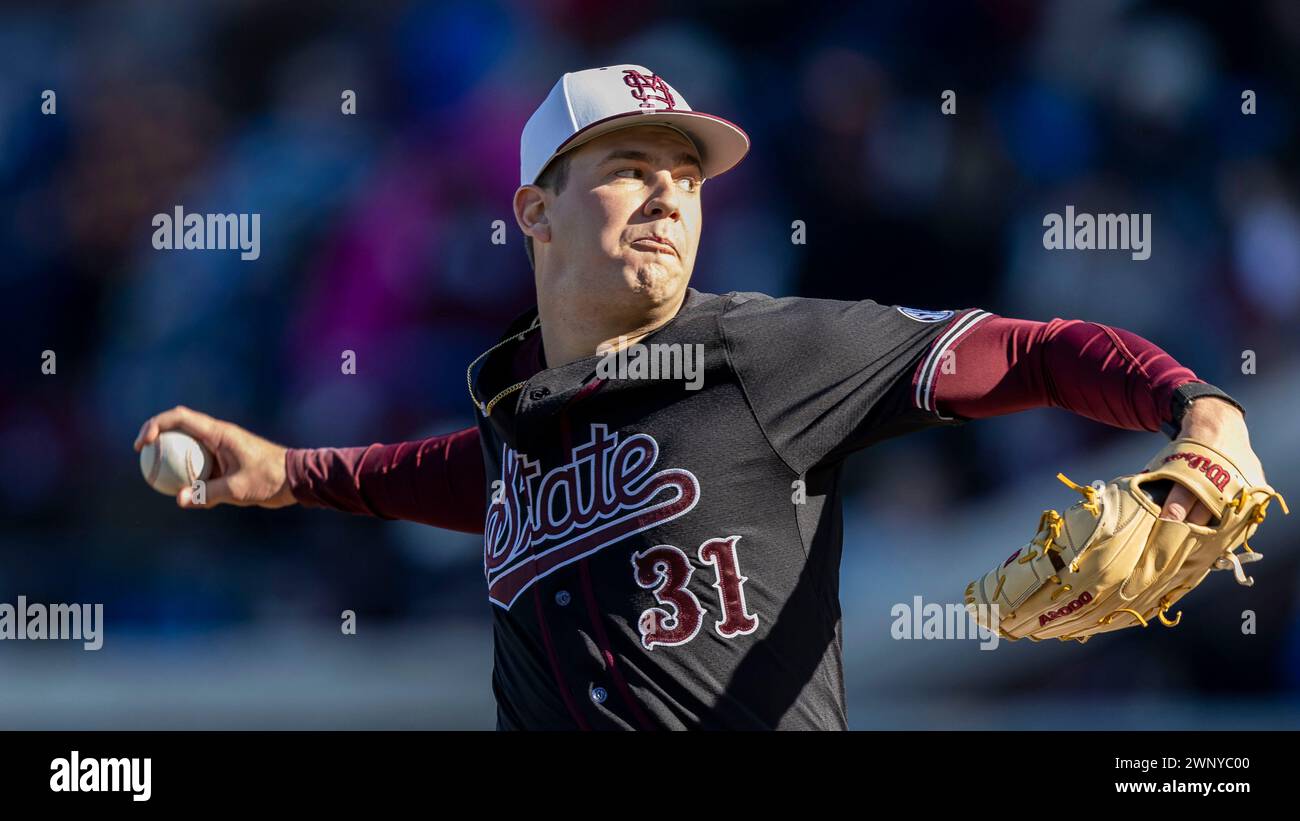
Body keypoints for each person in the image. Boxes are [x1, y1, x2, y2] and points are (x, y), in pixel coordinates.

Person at [134, 64, 1265, 730]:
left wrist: (1200, 414)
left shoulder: (770, 353)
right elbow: (464, 475)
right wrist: (290, 473)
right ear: (533, 212)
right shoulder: (519, 420)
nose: (668, 198)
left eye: (685, 179)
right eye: (628, 168)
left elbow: (1035, 349)